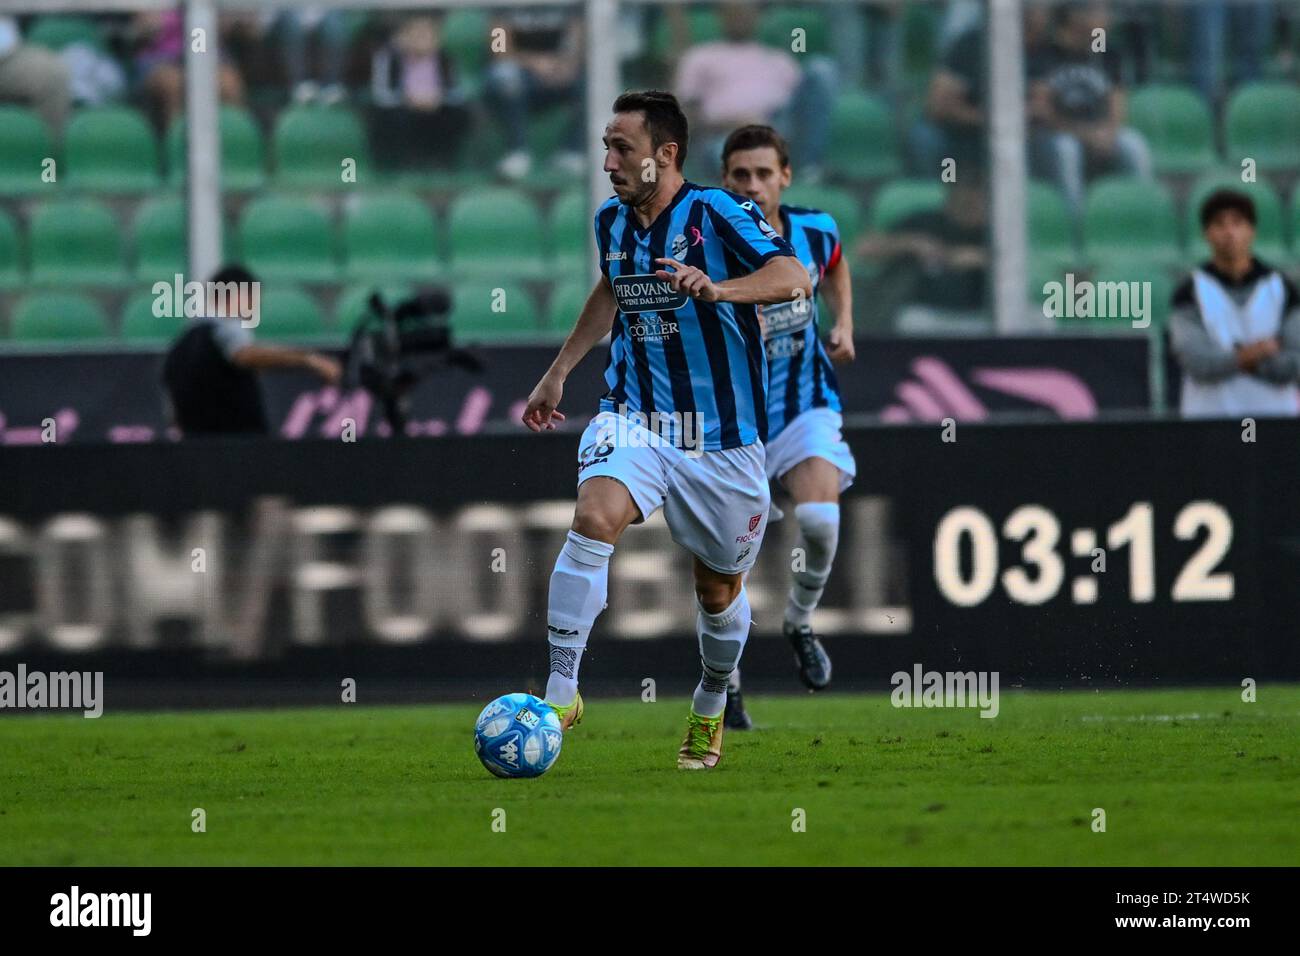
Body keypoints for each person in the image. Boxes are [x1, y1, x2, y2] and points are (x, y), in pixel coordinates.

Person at [520, 91, 810, 769]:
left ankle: (710, 704)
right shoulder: (611, 223)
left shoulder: (716, 212)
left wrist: (718, 289)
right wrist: (560, 370)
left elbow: (793, 276)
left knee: (717, 592)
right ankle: (563, 691)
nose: (608, 162)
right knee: (595, 516)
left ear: (666, 155)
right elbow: (612, 288)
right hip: (638, 417)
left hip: (725, 441)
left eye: (622, 148)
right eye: (605, 147)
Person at [717, 124, 856, 730]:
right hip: (733, 418)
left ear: (785, 177)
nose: (752, 185)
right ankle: (729, 683)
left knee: (821, 520)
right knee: (728, 561)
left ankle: (799, 621)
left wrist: (845, 321)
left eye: (763, 174)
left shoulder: (815, 229)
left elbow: (834, 267)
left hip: (803, 404)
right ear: (724, 179)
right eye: (740, 174)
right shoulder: (706, 240)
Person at [162, 266, 342, 437]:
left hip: (196, 452)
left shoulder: (182, 343)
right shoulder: (227, 326)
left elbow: (172, 409)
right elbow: (244, 354)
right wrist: (309, 360)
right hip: (239, 448)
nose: (256, 306)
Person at [1169, 189, 1300, 419]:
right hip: (1209, 424)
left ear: (1252, 230)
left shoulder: (1284, 288)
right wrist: (1256, 353)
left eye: (1237, 223)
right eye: (1219, 224)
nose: (1229, 233)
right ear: (1205, 233)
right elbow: (1197, 362)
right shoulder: (1189, 292)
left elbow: (1294, 363)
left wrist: (1232, 358)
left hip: (1276, 424)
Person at [673, 2, 835, 180]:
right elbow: (685, 120)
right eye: (734, 11)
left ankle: (808, 168)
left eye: (745, 12)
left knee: (822, 68)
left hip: (781, 130)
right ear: (721, 17)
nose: (740, 17)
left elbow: (805, 110)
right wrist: (736, 123)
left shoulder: (779, 59)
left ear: (758, 17)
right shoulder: (700, 57)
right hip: (727, 135)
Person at [1026, 2, 1151, 220]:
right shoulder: (1043, 53)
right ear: (1076, 16)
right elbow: (1041, 113)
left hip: (1098, 133)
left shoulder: (1104, 51)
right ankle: (1075, 224)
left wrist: (1109, 132)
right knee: (1067, 149)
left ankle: (1142, 215)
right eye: (1100, 12)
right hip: (1052, 137)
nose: (1108, 19)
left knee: (1133, 144)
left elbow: (1117, 102)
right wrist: (1086, 135)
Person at [855, 173, 990, 332]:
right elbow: (864, 249)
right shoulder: (924, 221)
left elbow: (1020, 267)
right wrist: (912, 244)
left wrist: (980, 258)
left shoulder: (994, 233)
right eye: (966, 193)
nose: (972, 199)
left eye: (979, 196)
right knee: (911, 321)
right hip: (921, 314)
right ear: (951, 195)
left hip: (979, 317)